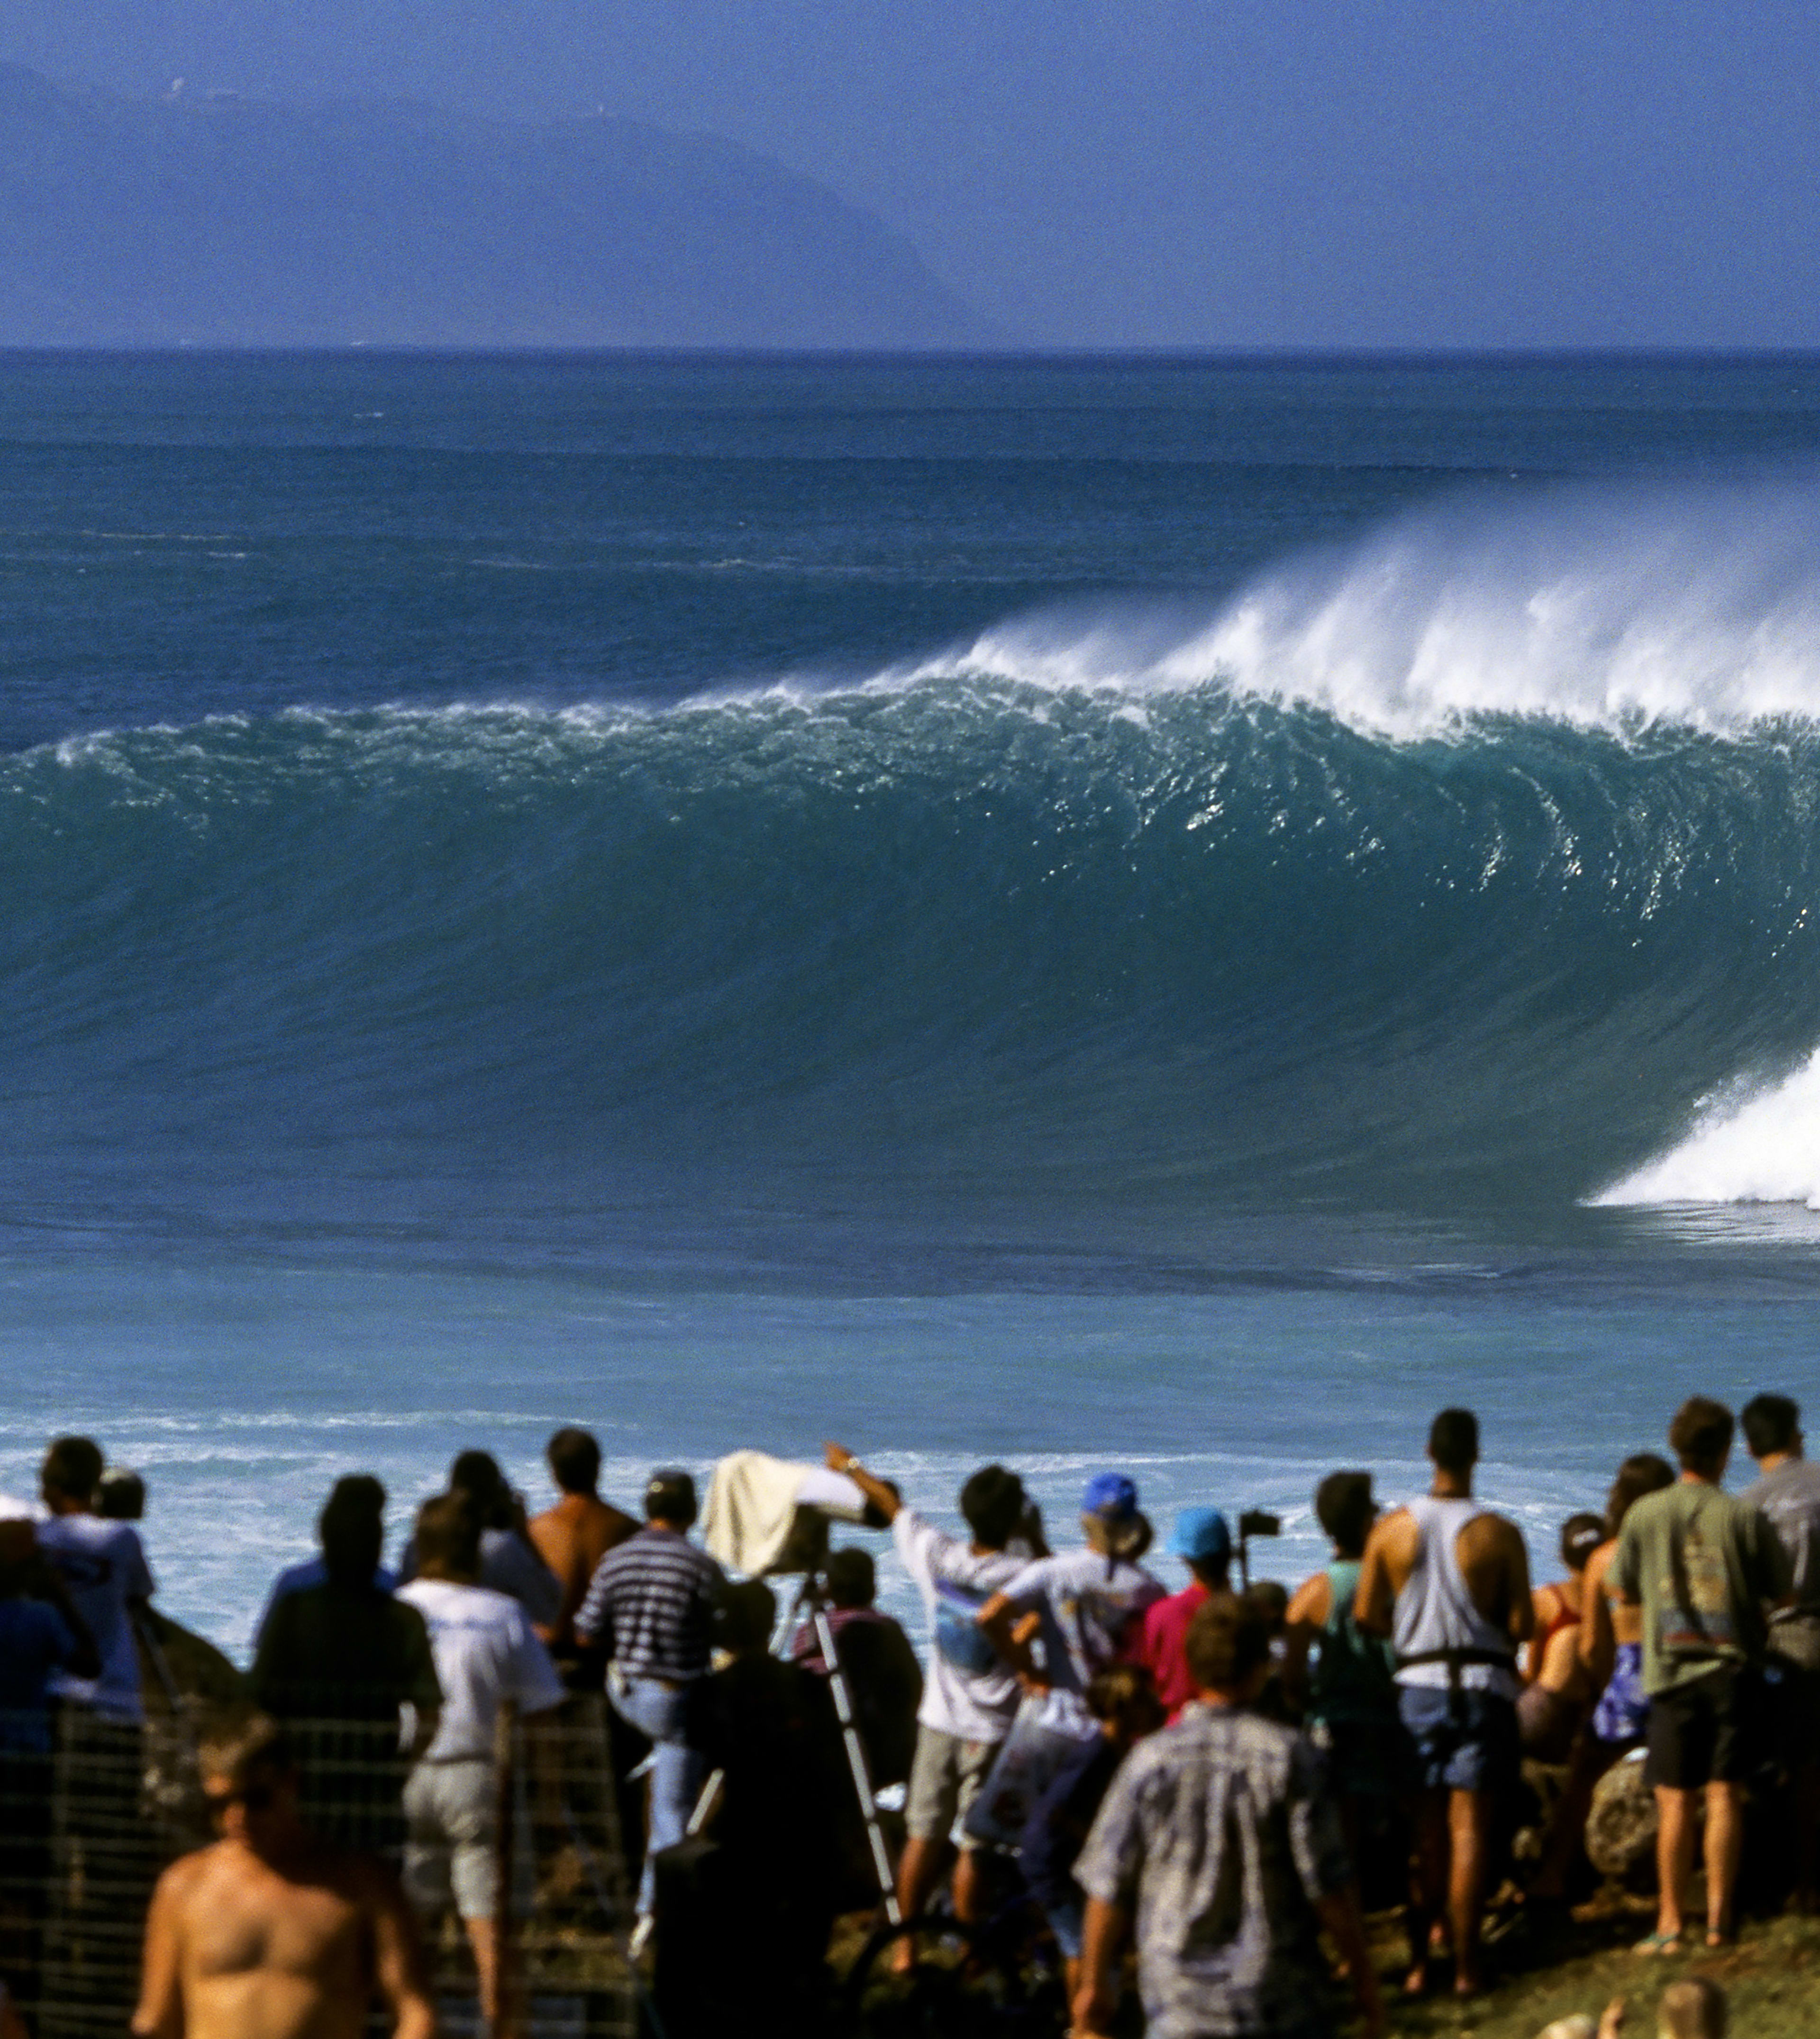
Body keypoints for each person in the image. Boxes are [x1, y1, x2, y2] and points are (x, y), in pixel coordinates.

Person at [1071, 1591, 1384, 2039]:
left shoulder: (1150, 1761)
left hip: (1178, 1997)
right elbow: (1328, 1883)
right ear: (1262, 1668)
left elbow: (1108, 1883)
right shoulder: (1290, 1757)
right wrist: (1362, 1977)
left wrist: (1094, 1982)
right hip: (1275, 1994)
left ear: (1193, 1668)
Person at [825, 1444, 1030, 1968]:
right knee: (975, 1845)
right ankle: (969, 1950)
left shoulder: (937, 1554)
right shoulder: (1027, 1577)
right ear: (1013, 1519)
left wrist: (849, 1467)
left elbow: (894, 1506)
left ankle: (905, 1947)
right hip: (992, 1728)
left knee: (922, 1836)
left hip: (938, 1721)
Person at [1356, 1406, 1533, 1998]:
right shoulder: (1499, 1532)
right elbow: (1522, 1622)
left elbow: (1366, 1613)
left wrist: (1410, 1630)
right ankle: (1466, 1965)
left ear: (1429, 1452)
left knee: (1424, 1834)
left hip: (1416, 1684)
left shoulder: (1391, 1529)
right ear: (1475, 1455)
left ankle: (1414, 1964)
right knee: (1470, 1831)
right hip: (1482, 1685)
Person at [1611, 1396, 1792, 1953]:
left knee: (1675, 1801)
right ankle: (1719, 1918)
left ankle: (1669, 1921)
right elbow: (1781, 1592)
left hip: (1671, 1672)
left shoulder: (1645, 1514)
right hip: (1732, 1669)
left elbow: (1622, 1588)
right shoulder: (1741, 1515)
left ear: (1677, 1447)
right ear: (1724, 1452)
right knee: (1725, 1795)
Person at [131, 1715, 435, 2039]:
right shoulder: (184, 1886)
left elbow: (414, 2012)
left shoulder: (359, 1883)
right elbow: (155, 2020)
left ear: (290, 1782)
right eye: (221, 1803)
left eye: (256, 1799)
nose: (238, 1816)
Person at [395, 1492, 566, 2021]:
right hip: (477, 1773)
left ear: (420, 1546)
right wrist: (550, 1798)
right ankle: (498, 2023)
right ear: (476, 1551)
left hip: (406, 1773)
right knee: (490, 1929)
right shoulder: (501, 1613)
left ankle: (411, 2023)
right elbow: (541, 1713)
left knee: (410, 1926)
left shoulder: (396, 1607)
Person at [681, 1580, 846, 2017]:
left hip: (745, 1818)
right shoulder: (807, 1686)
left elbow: (702, 1750)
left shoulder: (714, 1690)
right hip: (804, 1821)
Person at [251, 1479, 444, 1849]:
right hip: (372, 1781)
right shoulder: (400, 1609)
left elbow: (260, 1691)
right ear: (378, 1545)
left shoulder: (293, 1599)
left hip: (302, 1775)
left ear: (323, 1537)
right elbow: (430, 1714)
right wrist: (400, 1769)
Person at [1525, 1454, 1676, 1909]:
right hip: (1675, 1666)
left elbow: (1593, 1647)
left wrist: (1597, 1690)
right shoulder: (1682, 1549)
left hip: (1628, 1674)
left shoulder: (1606, 1558)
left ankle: (1552, 1877)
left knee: (1584, 1772)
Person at [574, 1468, 725, 1923]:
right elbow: (721, 1626)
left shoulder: (616, 1560)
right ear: (691, 1512)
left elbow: (587, 1631)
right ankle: (656, 1911)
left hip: (623, 1694)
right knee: (671, 1811)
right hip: (672, 1701)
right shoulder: (699, 1565)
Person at [0, 1510, 99, 2014]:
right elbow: (89, 1660)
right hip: (28, 1758)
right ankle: (26, 1994)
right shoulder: (40, 1617)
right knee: (27, 1879)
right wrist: (59, 1593)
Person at [1018, 1662, 1164, 1995]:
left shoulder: (1119, 1751)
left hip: (1068, 1859)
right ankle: (1081, 2025)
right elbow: (1058, 1812)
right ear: (1120, 1709)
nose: (1151, 1706)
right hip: (1051, 1860)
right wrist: (1098, 1842)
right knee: (1082, 1949)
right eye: (1142, 1701)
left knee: (1092, 1943)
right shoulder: (1094, 1754)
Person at [978, 1472, 1167, 1718]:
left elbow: (990, 1615)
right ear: (1133, 1526)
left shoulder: (1052, 1572)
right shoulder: (1151, 1589)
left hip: (1061, 1718)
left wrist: (1029, 1672)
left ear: (1085, 1520)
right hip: (1121, 1721)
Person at [1283, 1471, 1399, 1864]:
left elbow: (1292, 1675)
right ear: (1369, 1522)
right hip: (1390, 1722)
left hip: (1333, 1725)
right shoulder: (1393, 1586)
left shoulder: (1316, 1591)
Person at [1740, 1390, 1820, 1910]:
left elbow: (1746, 1595)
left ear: (1749, 1447)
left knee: (1802, 1768)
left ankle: (1809, 1883)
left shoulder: (1748, 1506)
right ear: (1798, 1435)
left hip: (1787, 1642)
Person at [34, 1434, 155, 1726]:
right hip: (113, 1700)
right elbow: (140, 1595)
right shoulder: (121, 1538)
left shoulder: (33, 1541)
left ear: (49, 1486)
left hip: (47, 1699)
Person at [788, 1545, 924, 1789]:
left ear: (827, 1590)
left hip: (833, 1759)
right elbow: (916, 1690)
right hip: (893, 1754)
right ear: (874, 1588)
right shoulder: (890, 1631)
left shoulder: (809, 1636)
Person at [400, 1452, 562, 1629]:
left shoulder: (416, 1548)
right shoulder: (503, 1548)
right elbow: (553, 1609)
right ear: (494, 1498)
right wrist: (524, 1535)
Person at [527, 1427, 637, 1666]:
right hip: (607, 1664)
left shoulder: (534, 1531)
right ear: (598, 1468)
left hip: (546, 1661)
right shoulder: (631, 1530)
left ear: (554, 1473)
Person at [254, 1474, 396, 1644]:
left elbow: (267, 1657)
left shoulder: (294, 1588)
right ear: (377, 1537)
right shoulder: (395, 1591)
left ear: (325, 1530)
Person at [1518, 1513, 1607, 1762]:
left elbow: (1532, 1674)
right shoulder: (1612, 1606)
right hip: (1590, 1716)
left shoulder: (1548, 1599)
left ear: (1562, 1556)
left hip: (1547, 1709)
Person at [1138, 1507, 1233, 1720]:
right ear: (1229, 1553)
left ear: (1184, 1558)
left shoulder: (1162, 1613)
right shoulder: (1247, 1613)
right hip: (1240, 1729)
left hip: (1176, 1729)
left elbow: (1149, 1678)